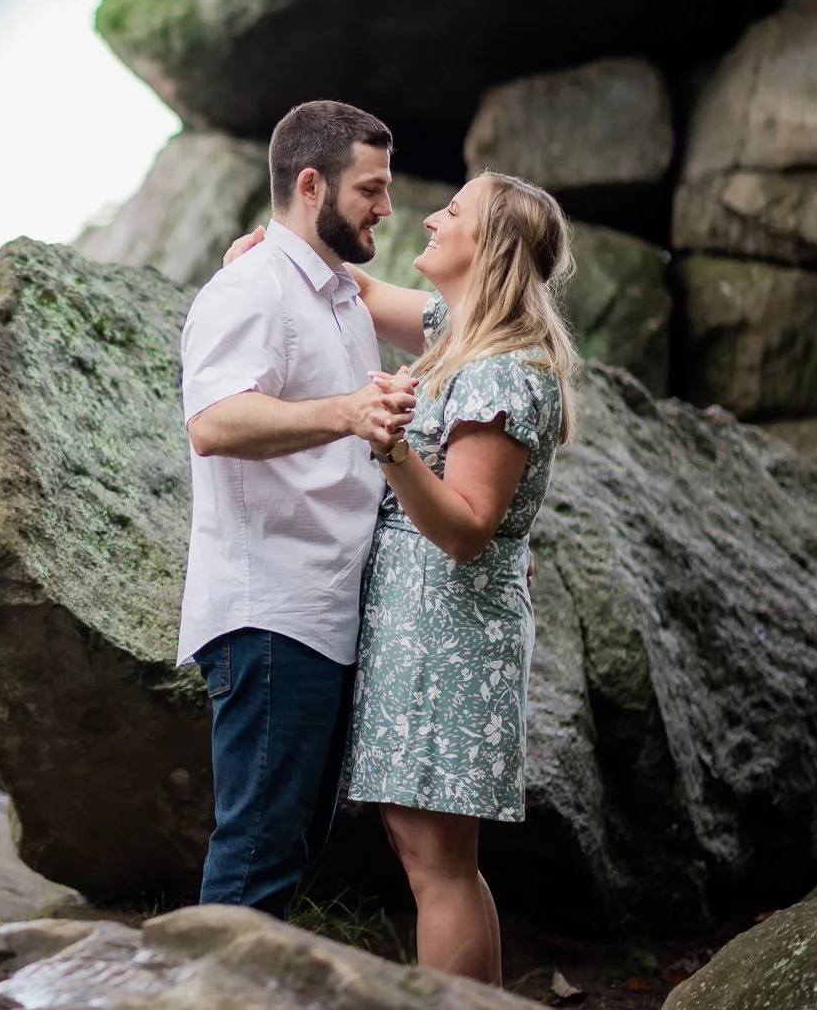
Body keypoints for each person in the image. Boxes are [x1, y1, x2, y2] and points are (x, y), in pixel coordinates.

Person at [229, 172, 575, 984]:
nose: (428, 215)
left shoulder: (496, 372)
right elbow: (357, 283)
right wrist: (273, 248)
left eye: (453, 211)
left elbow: (464, 525)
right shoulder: (462, 332)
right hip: (432, 625)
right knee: (441, 857)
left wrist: (388, 447)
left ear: (486, 249)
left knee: (437, 863)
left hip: (446, 629)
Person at [176, 99, 415, 918]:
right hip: (270, 613)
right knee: (257, 857)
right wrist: (347, 411)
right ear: (311, 184)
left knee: (287, 847)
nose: (387, 206)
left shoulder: (339, 289)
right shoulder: (251, 287)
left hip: (322, 613)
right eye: (371, 189)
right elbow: (213, 420)